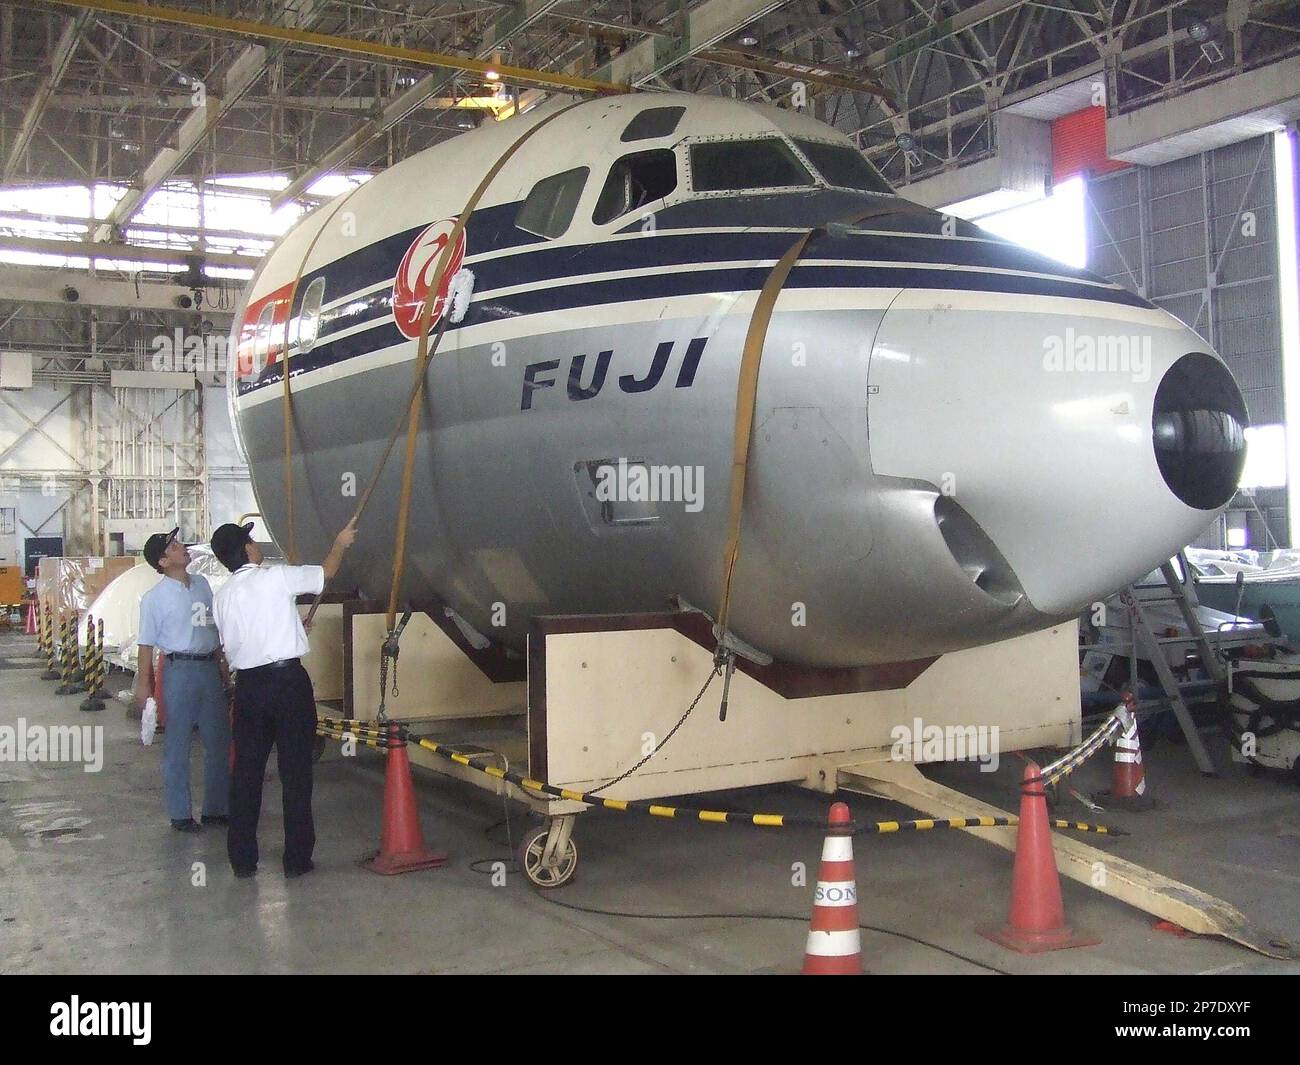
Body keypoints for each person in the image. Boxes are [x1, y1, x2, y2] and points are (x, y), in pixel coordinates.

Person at [210, 518, 357, 879]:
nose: (258, 544)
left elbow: (241, 639)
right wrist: (339, 543)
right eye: (252, 541)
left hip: (248, 688)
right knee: (295, 772)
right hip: (287, 684)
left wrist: (292, 628)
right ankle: (296, 860)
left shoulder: (222, 596)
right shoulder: (274, 577)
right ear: (246, 550)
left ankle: (242, 861)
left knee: (246, 773)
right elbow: (325, 573)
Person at [133, 527, 231, 833]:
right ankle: (180, 814)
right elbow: (145, 646)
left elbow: (211, 630)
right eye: (174, 546)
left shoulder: (202, 585)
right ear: (162, 561)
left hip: (208, 669)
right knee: (178, 743)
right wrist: (145, 687)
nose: (182, 547)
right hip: (178, 671)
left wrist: (222, 666)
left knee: (218, 741)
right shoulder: (154, 599)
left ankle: (216, 809)